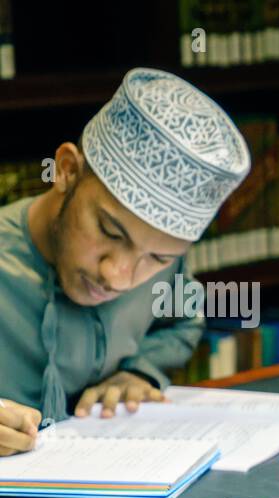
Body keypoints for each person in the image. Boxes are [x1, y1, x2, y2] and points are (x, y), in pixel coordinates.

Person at [0, 67, 249, 456]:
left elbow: (184, 323)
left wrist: (138, 371)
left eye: (158, 257)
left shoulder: (162, 272)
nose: (118, 277)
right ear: (66, 170)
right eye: (110, 232)